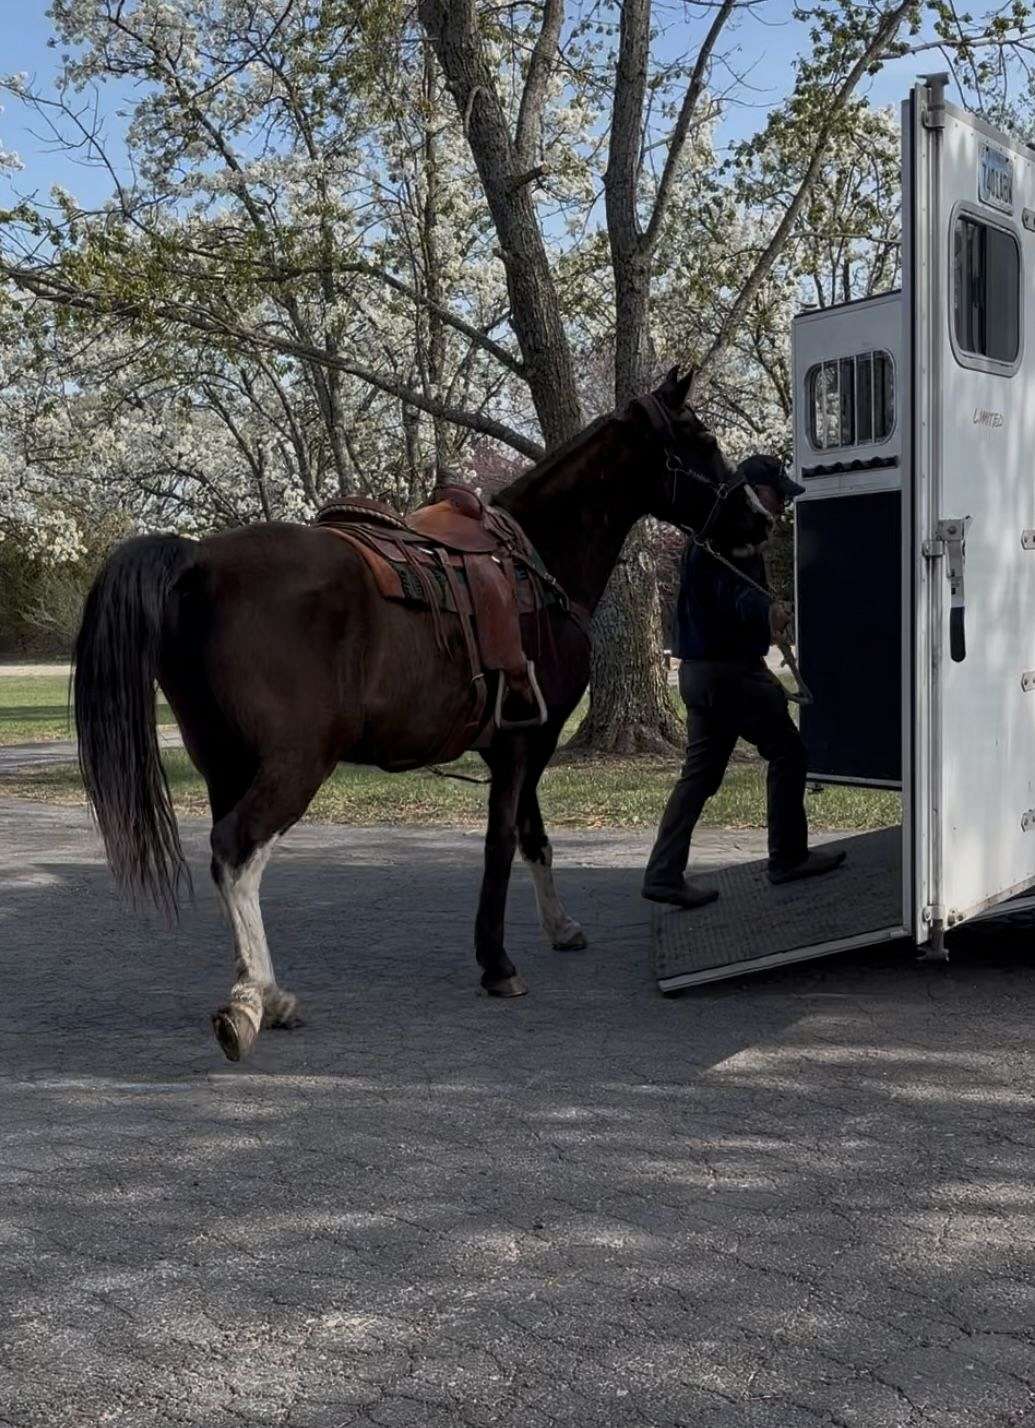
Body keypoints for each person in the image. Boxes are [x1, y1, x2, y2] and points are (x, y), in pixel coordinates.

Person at [642, 454, 846, 910]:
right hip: (731, 673)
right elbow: (734, 594)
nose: (782, 507)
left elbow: (722, 592)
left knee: (700, 776)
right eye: (779, 496)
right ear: (758, 489)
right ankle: (788, 858)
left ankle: (663, 873)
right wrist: (767, 612)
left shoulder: (712, 526)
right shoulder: (734, 527)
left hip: (698, 674)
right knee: (788, 752)